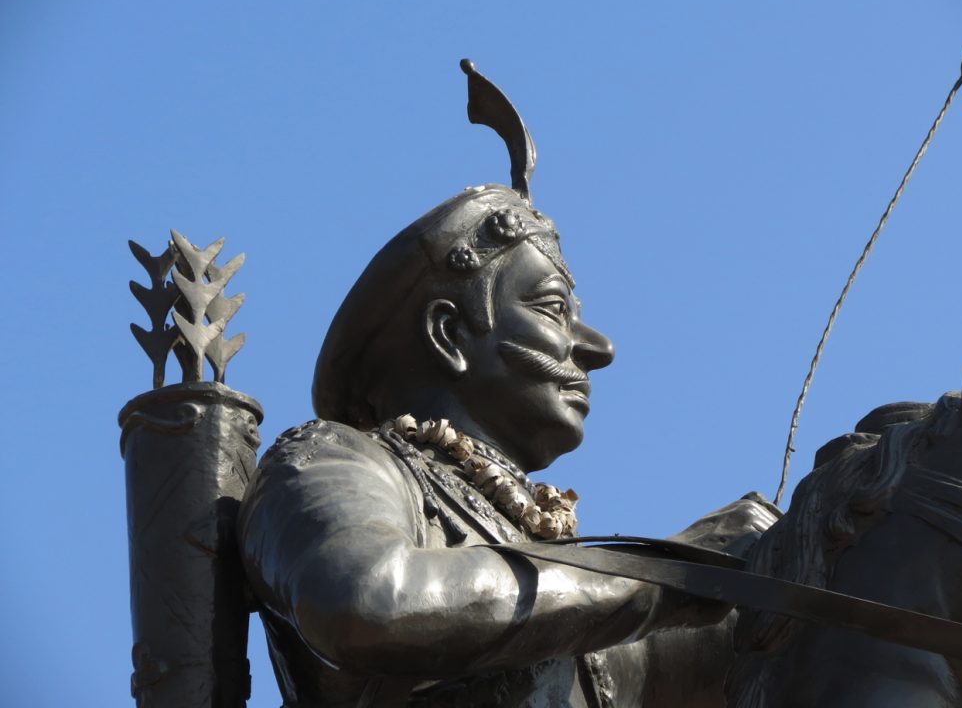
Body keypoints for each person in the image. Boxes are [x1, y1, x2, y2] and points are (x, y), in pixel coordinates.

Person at [238, 61, 778, 707]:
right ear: (449, 334)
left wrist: (801, 556)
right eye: (553, 310)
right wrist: (673, 575)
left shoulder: (576, 591)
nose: (596, 348)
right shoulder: (338, 459)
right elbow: (363, 600)